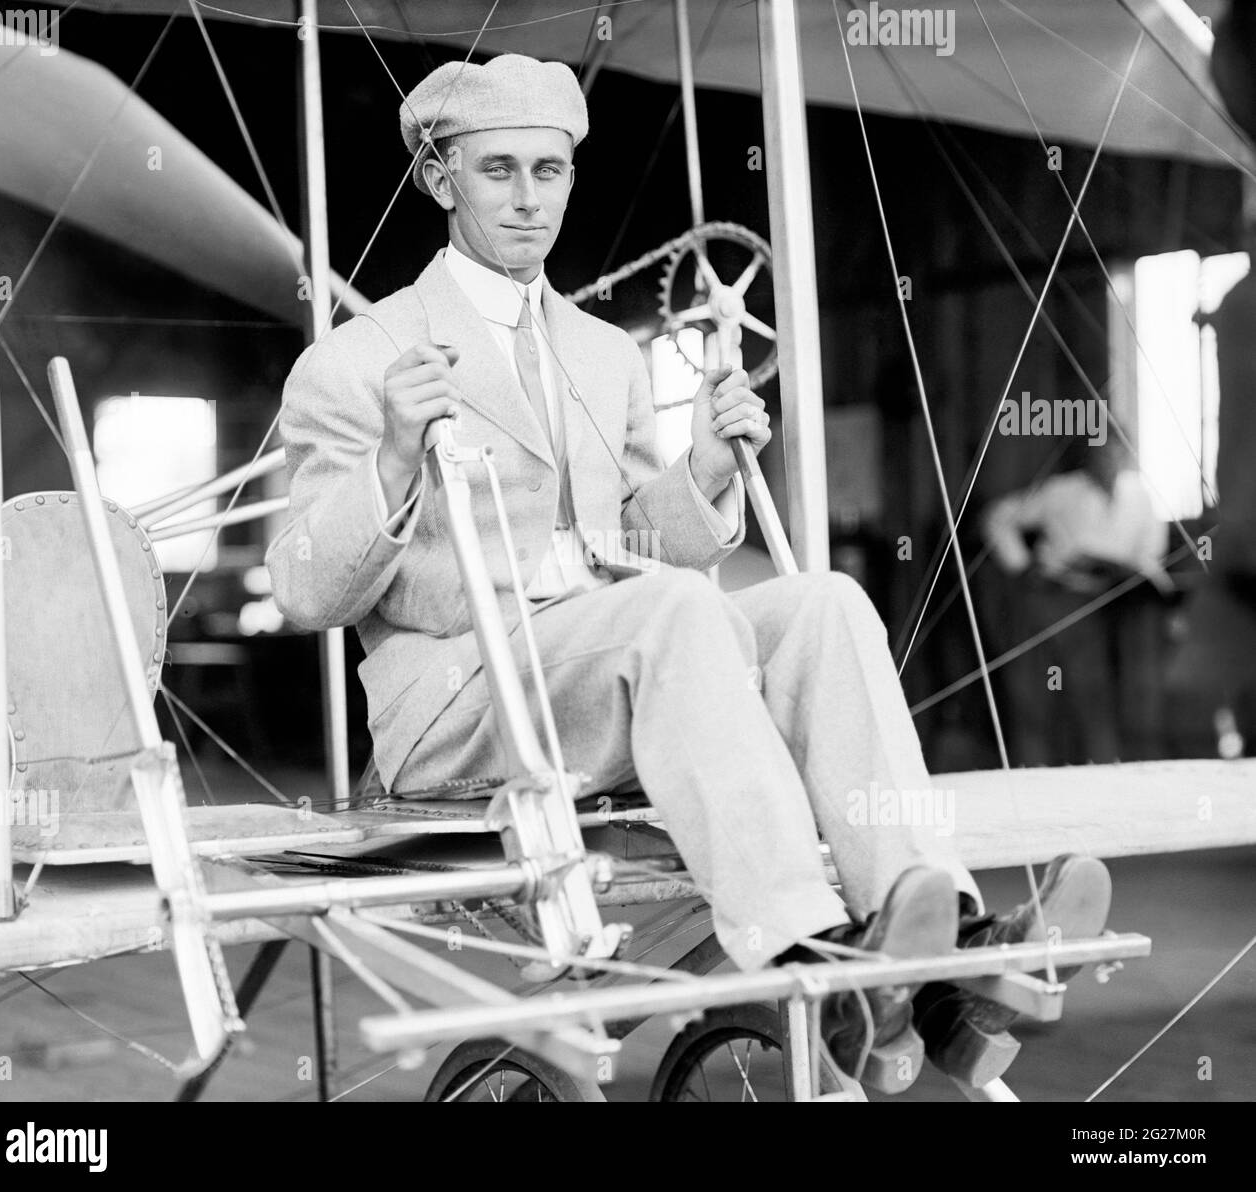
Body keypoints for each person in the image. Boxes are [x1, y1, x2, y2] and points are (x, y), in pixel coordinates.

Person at [266, 53, 1111, 1091]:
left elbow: (629, 541)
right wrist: (395, 454)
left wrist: (703, 469)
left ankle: (936, 941)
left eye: (551, 169)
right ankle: (806, 951)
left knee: (822, 604)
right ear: (441, 180)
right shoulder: (358, 359)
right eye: (498, 171)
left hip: (600, 669)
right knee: (668, 612)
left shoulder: (599, 352)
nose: (531, 199)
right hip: (459, 701)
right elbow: (305, 587)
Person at [984, 441, 1170, 763]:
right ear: (1088, 457)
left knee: (1095, 698)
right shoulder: (1061, 492)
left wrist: (1125, 571)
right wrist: (1020, 565)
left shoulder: (1140, 497)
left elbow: (1150, 556)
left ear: (1126, 455)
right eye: (1101, 452)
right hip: (1049, 597)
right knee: (1035, 696)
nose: (1108, 459)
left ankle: (1104, 780)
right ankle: (1032, 778)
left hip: (1106, 606)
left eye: (1116, 451)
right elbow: (997, 517)